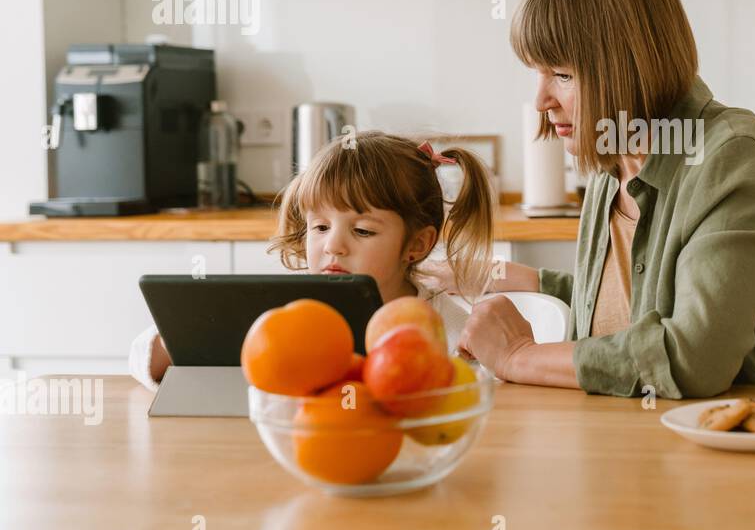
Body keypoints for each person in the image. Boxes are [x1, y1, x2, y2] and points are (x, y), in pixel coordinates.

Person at [443, 0, 755, 398]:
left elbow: (691, 358)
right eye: (538, 73)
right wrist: (509, 277)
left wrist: (518, 355)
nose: (541, 101)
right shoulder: (611, 168)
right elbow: (638, 305)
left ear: (626, 67)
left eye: (563, 76)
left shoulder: (730, 157)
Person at [128, 132, 495, 390]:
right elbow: (141, 359)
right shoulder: (288, 308)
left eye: (363, 231)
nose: (333, 246)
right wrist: (184, 342)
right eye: (319, 226)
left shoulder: (447, 327)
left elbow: (477, 391)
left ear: (417, 244)